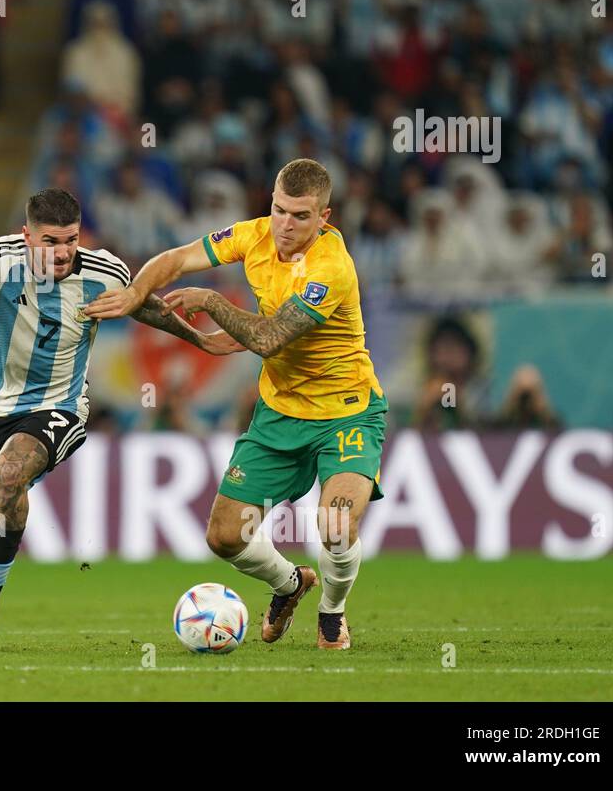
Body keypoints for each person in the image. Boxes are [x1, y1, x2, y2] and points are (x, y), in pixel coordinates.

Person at [0, 188, 243, 649]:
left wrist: (200, 340)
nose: (63, 252)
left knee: (10, 471)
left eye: (71, 239)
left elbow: (146, 307)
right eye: (50, 241)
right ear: (27, 236)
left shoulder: (106, 271)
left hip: (59, 407)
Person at [83, 158, 387, 650]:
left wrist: (212, 303)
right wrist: (136, 292)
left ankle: (332, 612)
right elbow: (178, 258)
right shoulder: (254, 235)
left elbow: (268, 339)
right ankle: (290, 584)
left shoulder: (330, 269)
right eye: (279, 210)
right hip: (280, 411)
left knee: (334, 523)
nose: (286, 225)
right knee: (225, 536)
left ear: (324, 218)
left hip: (347, 411)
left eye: (301, 216)